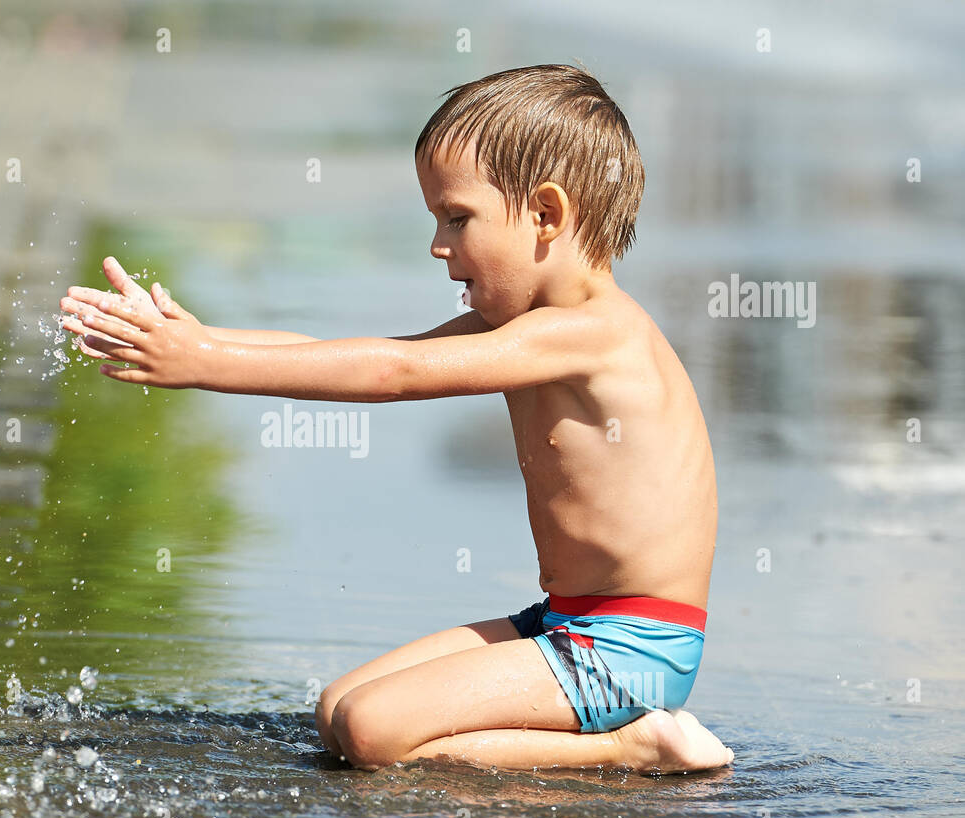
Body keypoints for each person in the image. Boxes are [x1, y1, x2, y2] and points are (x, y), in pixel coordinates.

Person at [59, 64, 733, 775]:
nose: (439, 245)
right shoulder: (526, 330)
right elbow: (354, 353)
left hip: (632, 648)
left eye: (457, 217)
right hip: (566, 621)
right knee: (338, 709)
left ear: (546, 215)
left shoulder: (594, 332)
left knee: (373, 731)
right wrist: (203, 339)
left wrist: (200, 362)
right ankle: (590, 734)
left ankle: (631, 744)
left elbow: (394, 373)